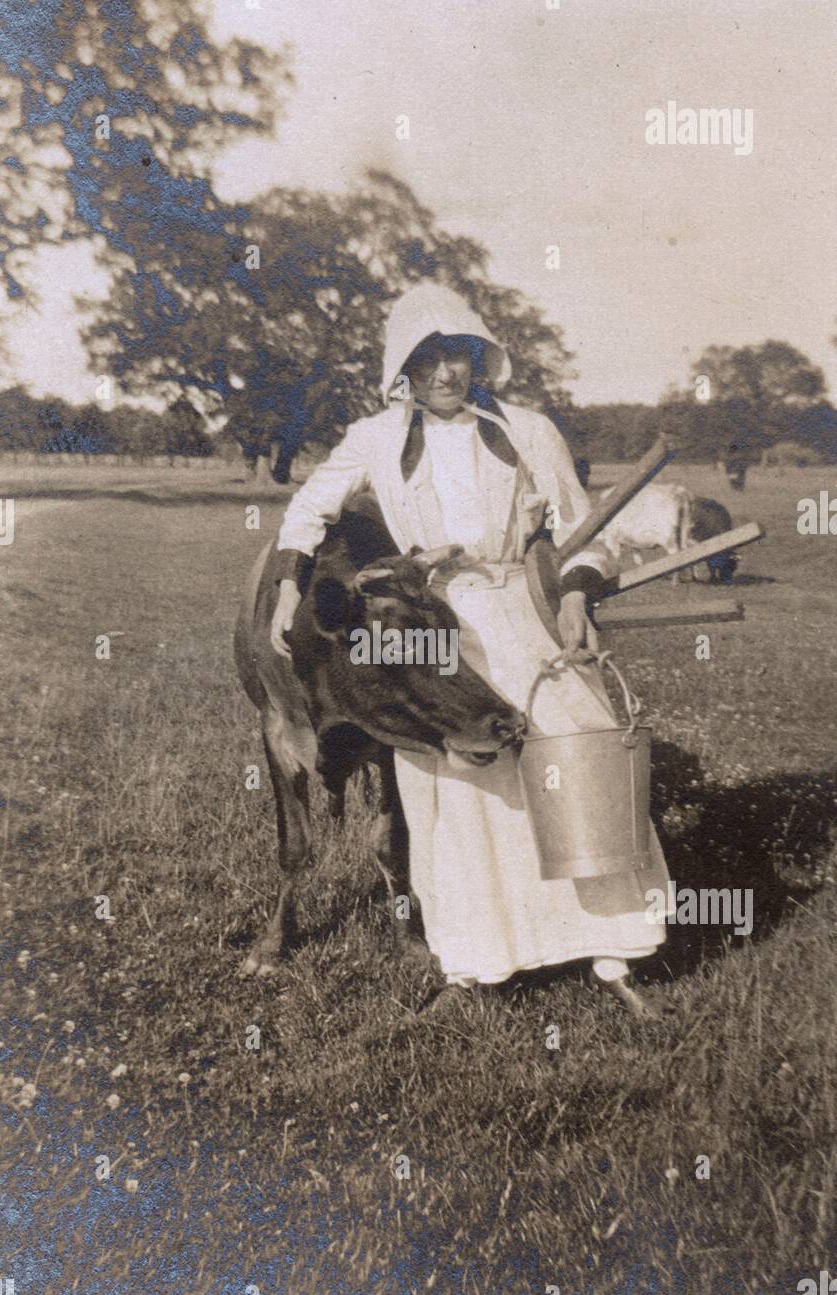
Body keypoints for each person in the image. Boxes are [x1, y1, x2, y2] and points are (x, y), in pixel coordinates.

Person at [270, 282, 671, 1018]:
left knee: (575, 753)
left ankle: (612, 950)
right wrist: (293, 588)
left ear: (480, 359)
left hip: (521, 612)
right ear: (403, 370)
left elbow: (586, 530)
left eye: (458, 355)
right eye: (428, 359)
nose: (446, 373)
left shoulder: (526, 428)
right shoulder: (374, 438)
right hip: (433, 631)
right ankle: (474, 964)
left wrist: (576, 592)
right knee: (455, 787)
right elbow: (308, 509)